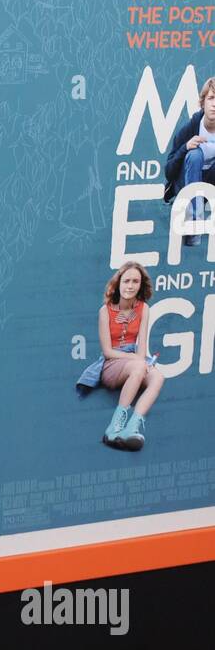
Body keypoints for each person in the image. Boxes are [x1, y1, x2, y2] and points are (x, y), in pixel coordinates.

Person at [97, 262, 163, 449]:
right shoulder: (105, 311)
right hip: (112, 365)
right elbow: (108, 352)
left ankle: (131, 427)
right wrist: (139, 360)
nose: (130, 285)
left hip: (135, 362)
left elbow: (142, 349)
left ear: (141, 285)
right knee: (140, 365)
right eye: (126, 280)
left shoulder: (144, 309)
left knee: (157, 376)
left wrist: (142, 361)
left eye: (136, 281)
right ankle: (113, 428)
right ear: (118, 283)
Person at [163, 76, 215, 246]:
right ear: (203, 103)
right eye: (211, 98)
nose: (214, 104)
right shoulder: (191, 127)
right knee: (195, 155)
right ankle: (194, 226)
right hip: (184, 184)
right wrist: (185, 147)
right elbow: (169, 171)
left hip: (209, 187)